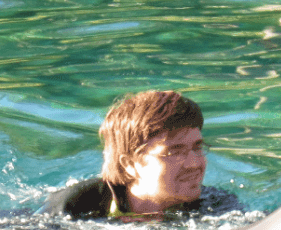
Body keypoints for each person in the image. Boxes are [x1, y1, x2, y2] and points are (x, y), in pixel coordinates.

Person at [36, 90, 242, 220]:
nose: (194, 163)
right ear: (130, 164)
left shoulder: (217, 205)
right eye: (174, 151)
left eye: (197, 147)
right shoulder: (75, 206)